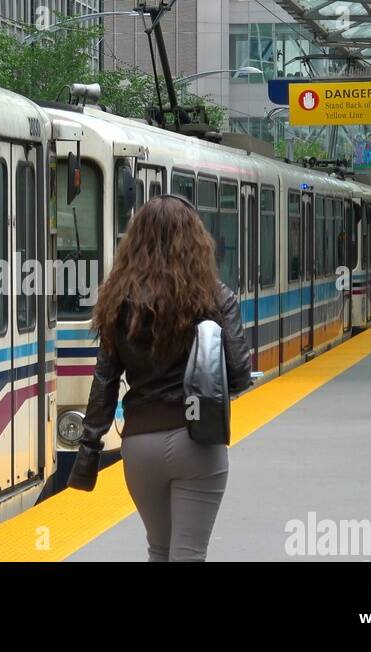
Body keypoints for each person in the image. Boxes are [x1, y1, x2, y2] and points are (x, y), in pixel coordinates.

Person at [67, 195, 252, 562]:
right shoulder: (215, 297)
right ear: (196, 242)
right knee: (188, 554)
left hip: (139, 448)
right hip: (197, 443)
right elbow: (239, 373)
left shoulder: (116, 302)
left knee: (159, 550)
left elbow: (104, 383)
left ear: (134, 243)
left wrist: (90, 448)